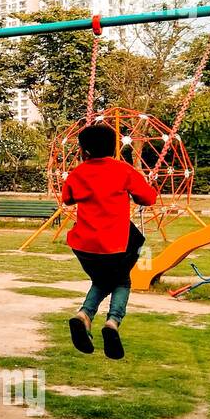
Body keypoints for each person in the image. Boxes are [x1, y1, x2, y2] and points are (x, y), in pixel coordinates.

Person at [62, 123, 158, 360]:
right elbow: (148, 199)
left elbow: (67, 199)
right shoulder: (123, 171)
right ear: (114, 148)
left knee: (102, 280)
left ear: (84, 151)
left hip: (84, 247)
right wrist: (146, 186)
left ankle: (84, 315)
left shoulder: (78, 173)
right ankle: (113, 322)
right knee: (122, 281)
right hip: (115, 246)